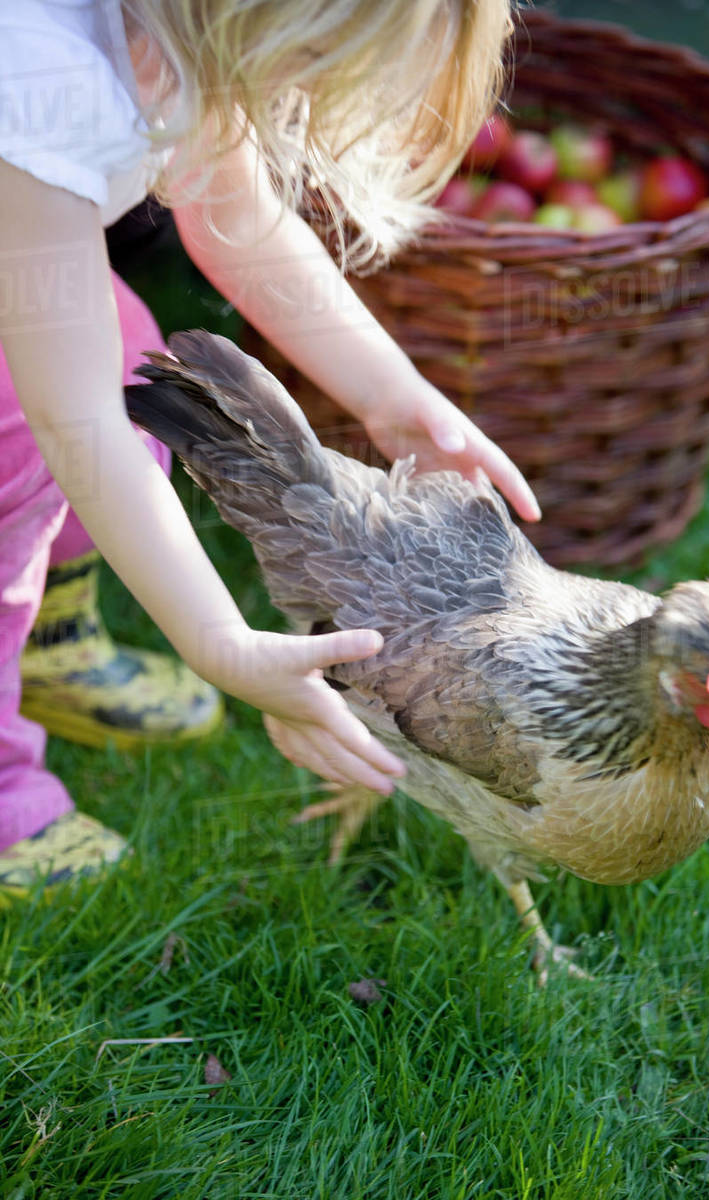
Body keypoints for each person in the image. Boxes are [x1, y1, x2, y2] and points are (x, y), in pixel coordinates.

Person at [0, 0, 540, 894]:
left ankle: (45, 635)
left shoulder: (186, 35)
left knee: (130, 369)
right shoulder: (41, 73)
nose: (310, 88)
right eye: (317, 56)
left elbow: (237, 217)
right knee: (23, 447)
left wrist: (395, 399)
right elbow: (74, 420)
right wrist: (220, 641)